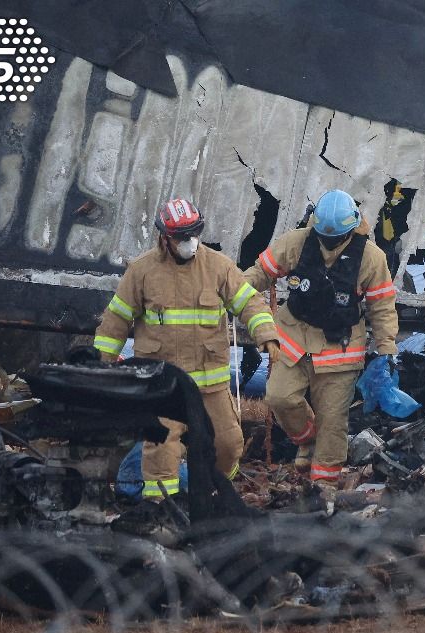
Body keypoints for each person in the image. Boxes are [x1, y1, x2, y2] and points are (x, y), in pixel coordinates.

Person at [94, 198, 278, 499]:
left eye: (194, 233)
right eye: (182, 236)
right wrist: (101, 364)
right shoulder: (142, 272)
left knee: (229, 446)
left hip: (211, 386)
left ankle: (213, 494)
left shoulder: (218, 266)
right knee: (161, 451)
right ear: (165, 237)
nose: (189, 242)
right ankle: (160, 511)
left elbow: (249, 302)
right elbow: (116, 320)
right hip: (164, 386)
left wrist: (267, 334)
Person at [244, 189, 398, 503]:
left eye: (337, 237)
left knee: (333, 422)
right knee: (279, 396)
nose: (328, 243)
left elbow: (382, 307)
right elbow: (260, 274)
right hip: (293, 337)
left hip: (339, 349)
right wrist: (228, 291)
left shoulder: (371, 258)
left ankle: (322, 491)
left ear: (352, 229)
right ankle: (306, 438)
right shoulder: (295, 242)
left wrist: (386, 350)